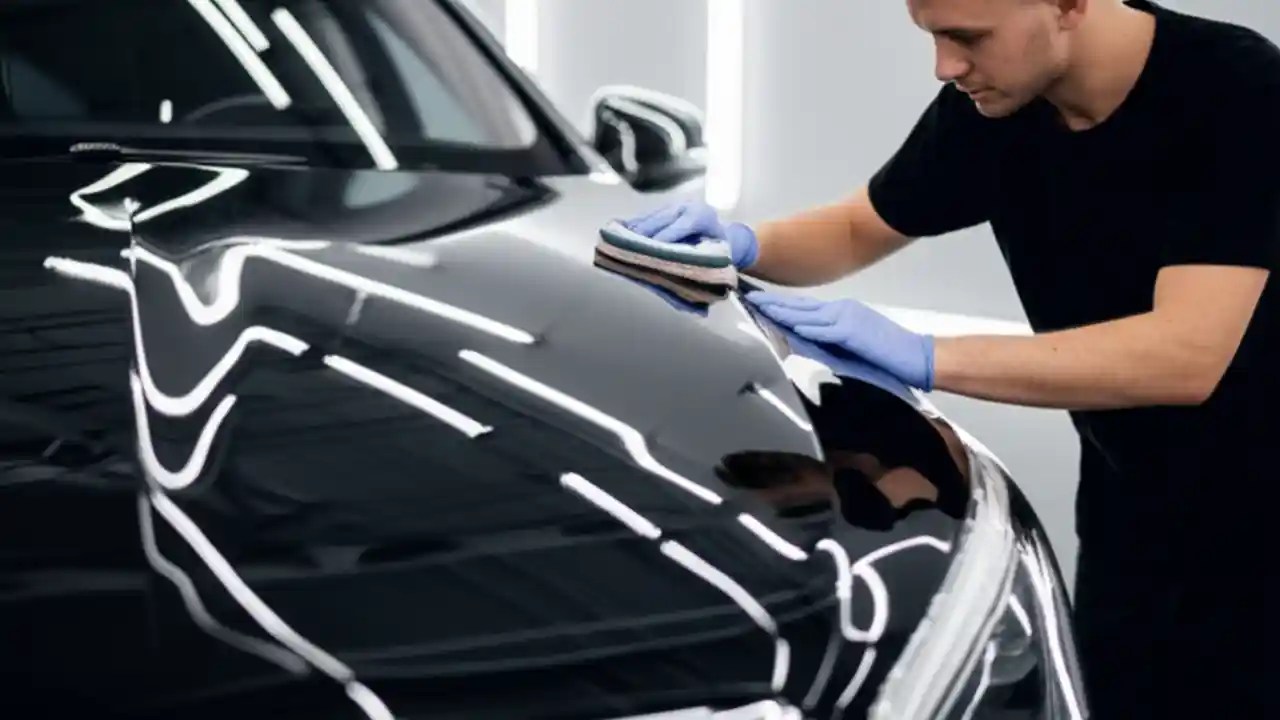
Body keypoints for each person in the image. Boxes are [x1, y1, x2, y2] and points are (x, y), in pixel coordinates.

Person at [621, 0, 1277, 717]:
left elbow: (1184, 357)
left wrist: (925, 356)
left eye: (968, 37)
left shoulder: (1234, 90)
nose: (946, 66)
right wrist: (741, 243)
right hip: (1135, 502)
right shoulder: (997, 107)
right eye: (933, 34)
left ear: (1068, 5)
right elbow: (854, 229)